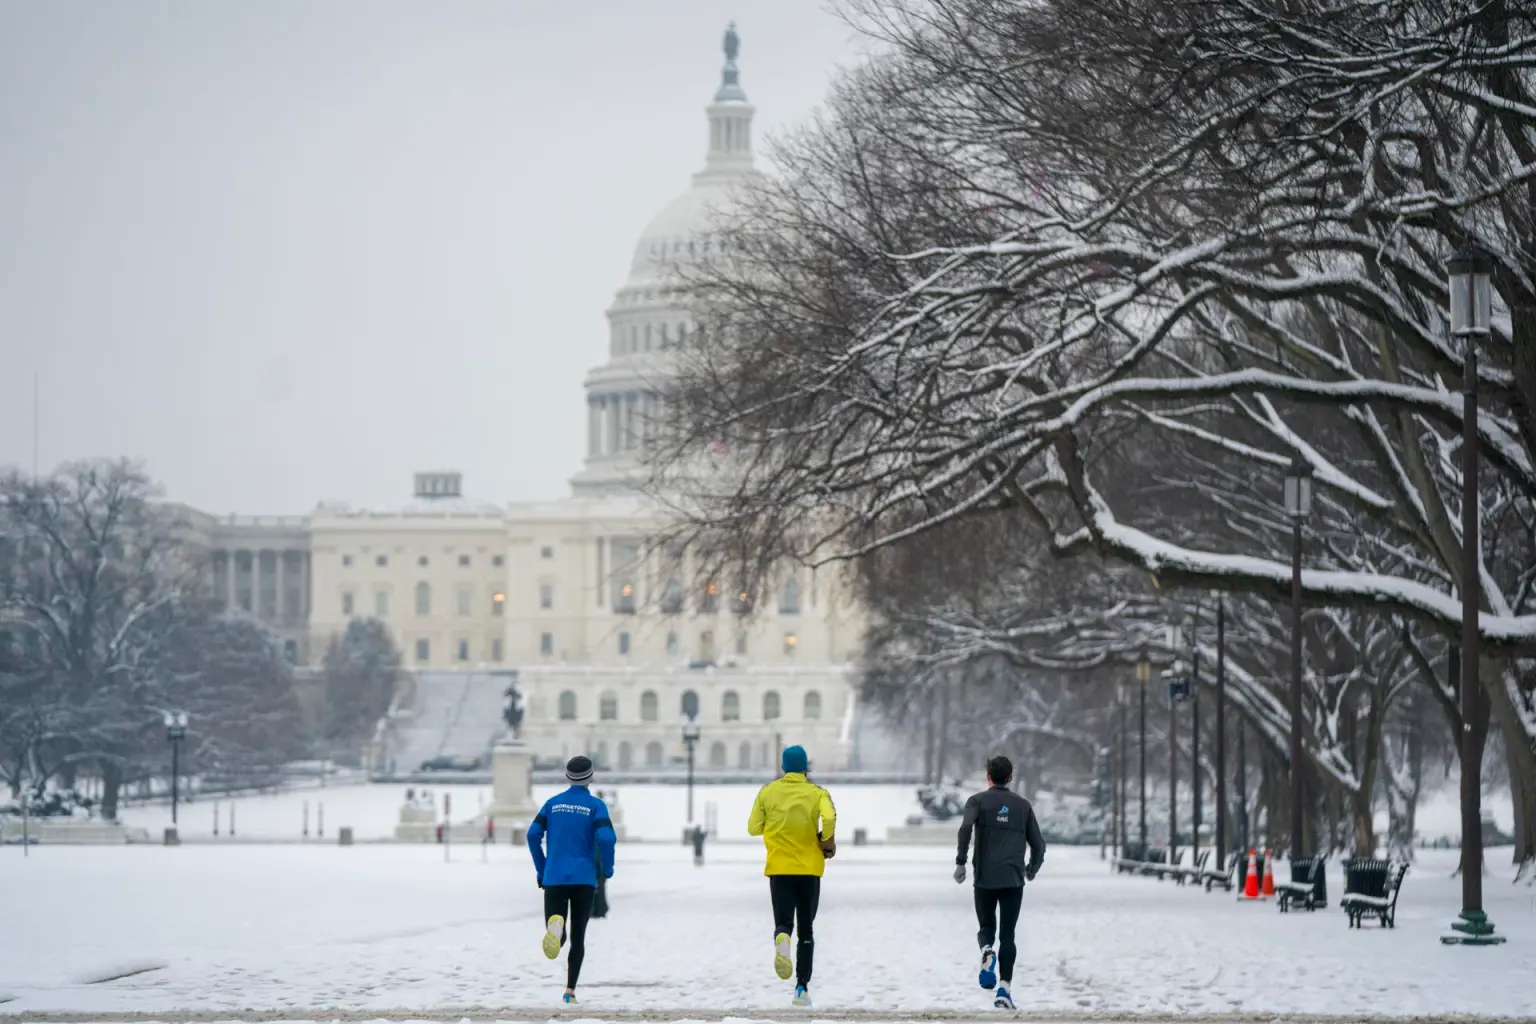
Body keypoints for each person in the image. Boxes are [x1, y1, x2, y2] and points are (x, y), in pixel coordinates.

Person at [747, 745, 837, 1007]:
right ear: (805, 768)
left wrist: (775, 826)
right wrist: (824, 837)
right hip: (809, 871)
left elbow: (753, 828)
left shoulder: (768, 792)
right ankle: (801, 988)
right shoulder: (818, 793)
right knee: (806, 929)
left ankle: (782, 937)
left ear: (784, 767)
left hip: (779, 869)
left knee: (784, 923)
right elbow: (829, 817)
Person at [954, 755, 1045, 1011]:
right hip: (1013, 879)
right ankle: (1004, 989)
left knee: (986, 927)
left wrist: (961, 862)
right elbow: (1039, 845)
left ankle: (986, 950)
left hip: (984, 878)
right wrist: (1031, 870)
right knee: (1008, 935)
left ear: (988, 777)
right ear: (1010, 777)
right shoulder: (1023, 806)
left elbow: (965, 828)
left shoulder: (976, 801)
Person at [527, 755, 616, 1005]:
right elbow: (606, 838)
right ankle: (570, 991)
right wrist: (607, 868)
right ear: (590, 777)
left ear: (567, 776)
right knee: (578, 937)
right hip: (583, 878)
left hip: (554, 877)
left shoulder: (552, 804)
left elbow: (533, 835)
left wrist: (542, 869)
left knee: (557, 932)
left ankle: (557, 930)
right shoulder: (596, 806)